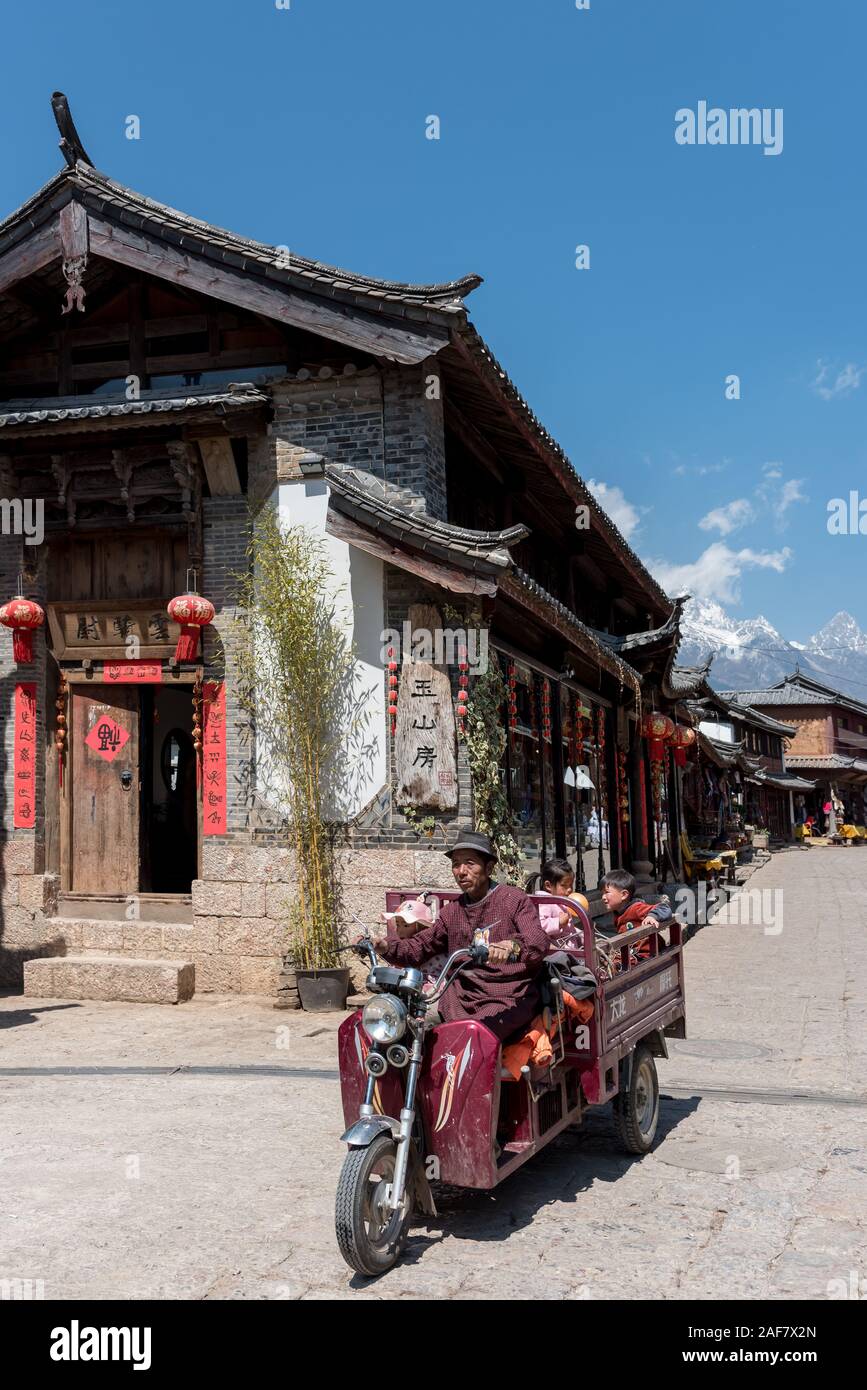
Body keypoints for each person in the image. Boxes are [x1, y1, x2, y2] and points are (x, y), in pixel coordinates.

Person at [373, 831, 551, 1042]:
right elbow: (419, 946)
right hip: (458, 997)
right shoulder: (451, 912)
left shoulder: (513, 900)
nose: (461, 871)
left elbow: (537, 941)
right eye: (456, 864)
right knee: (399, 1026)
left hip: (507, 996)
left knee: (474, 1036)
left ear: (489, 867)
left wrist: (512, 947)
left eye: (470, 863)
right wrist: (385, 945)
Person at [600, 869, 673, 961]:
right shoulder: (618, 913)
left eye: (607, 892)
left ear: (624, 895)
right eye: (602, 893)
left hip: (646, 954)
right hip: (633, 953)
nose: (603, 897)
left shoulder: (636, 908)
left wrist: (652, 916)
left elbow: (664, 908)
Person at [525, 857, 590, 955]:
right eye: (564, 885)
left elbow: (569, 928)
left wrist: (582, 935)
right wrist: (557, 923)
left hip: (570, 951)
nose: (569, 890)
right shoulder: (544, 902)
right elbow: (539, 927)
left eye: (571, 885)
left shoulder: (562, 901)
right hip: (556, 957)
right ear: (548, 885)